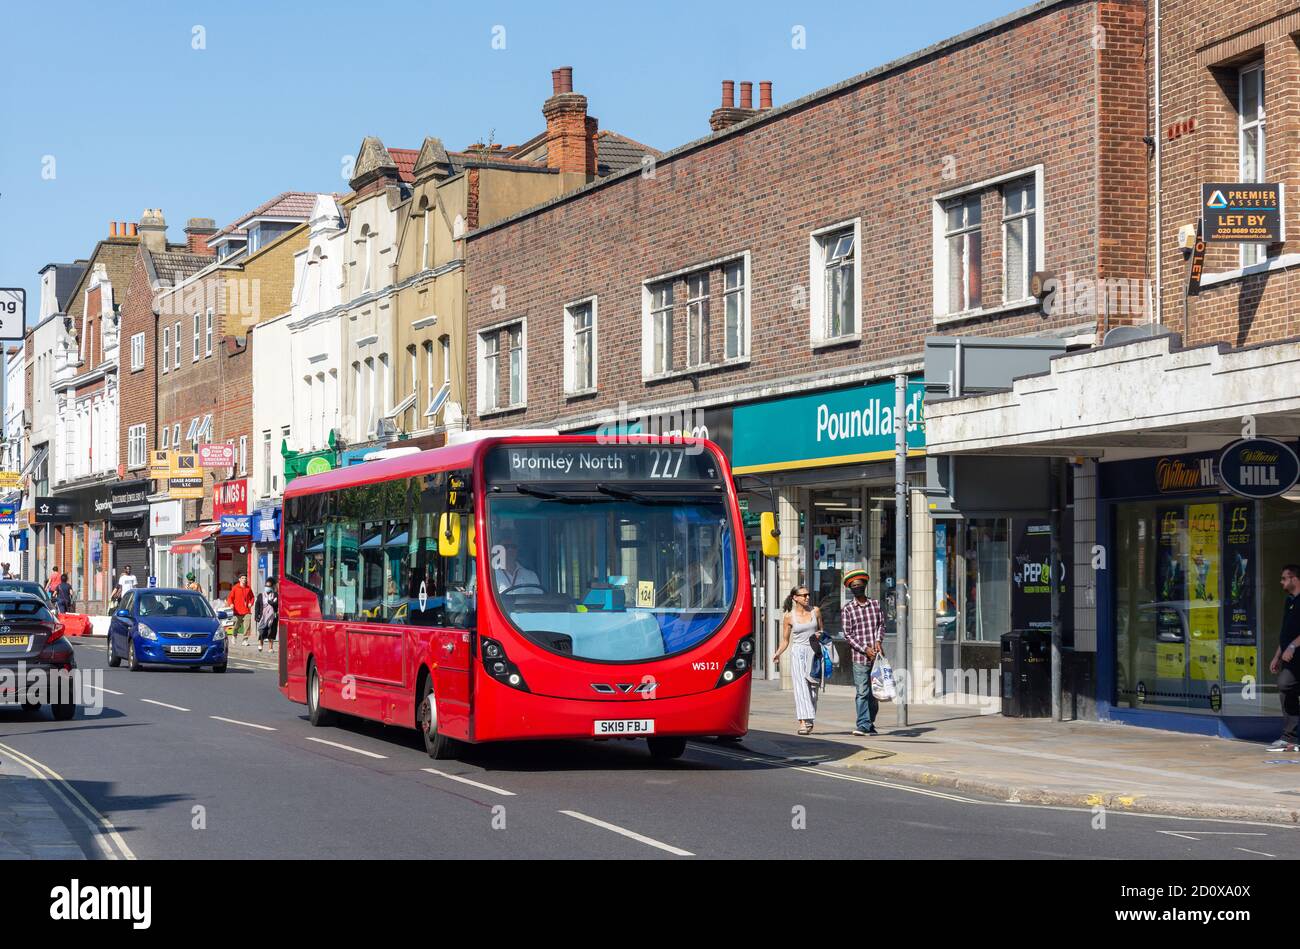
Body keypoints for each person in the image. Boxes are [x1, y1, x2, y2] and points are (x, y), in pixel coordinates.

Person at [840, 569, 885, 737]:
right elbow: (848, 635)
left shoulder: (876, 605)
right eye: (854, 586)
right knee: (862, 691)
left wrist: (878, 642)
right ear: (850, 589)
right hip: (860, 657)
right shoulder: (848, 609)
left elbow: (881, 625)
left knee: (875, 693)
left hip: (877, 657)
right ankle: (863, 724)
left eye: (860, 585)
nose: (857, 588)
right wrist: (865, 649)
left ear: (865, 586)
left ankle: (869, 722)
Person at [772, 586, 822, 735]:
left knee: (813, 690)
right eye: (803, 595)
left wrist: (820, 635)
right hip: (798, 652)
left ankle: (809, 719)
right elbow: (785, 640)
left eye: (808, 594)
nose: (807, 597)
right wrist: (778, 653)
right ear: (795, 598)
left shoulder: (816, 611)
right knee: (801, 688)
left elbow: (821, 631)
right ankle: (803, 721)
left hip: (814, 652)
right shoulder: (789, 616)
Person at [1266, 564, 1300, 752]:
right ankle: (1290, 738)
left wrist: (1294, 646)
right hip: (1290, 658)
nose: (1281, 582)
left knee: (1287, 685)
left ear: (1294, 579)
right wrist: (1277, 656)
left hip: (1297, 653)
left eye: (1284, 578)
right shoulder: (1289, 601)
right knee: (1286, 686)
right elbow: (1286, 632)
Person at [229, 573, 255, 647]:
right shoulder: (235, 588)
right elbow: (230, 598)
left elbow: (252, 597)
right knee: (236, 626)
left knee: (247, 625)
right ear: (239, 579)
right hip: (237, 611)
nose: (244, 579)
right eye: (243, 578)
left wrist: (251, 603)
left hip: (246, 610)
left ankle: (245, 640)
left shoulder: (248, 588)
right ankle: (234, 636)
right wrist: (231, 604)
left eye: (245, 578)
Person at [255, 577, 279, 654]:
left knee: (271, 632)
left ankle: (270, 647)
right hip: (263, 617)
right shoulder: (260, 595)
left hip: (273, 617)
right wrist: (256, 615)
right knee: (262, 631)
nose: (267, 588)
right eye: (266, 586)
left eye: (269, 586)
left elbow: (276, 604)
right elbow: (257, 606)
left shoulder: (275, 595)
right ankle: (260, 644)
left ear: (272, 587)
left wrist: (270, 602)